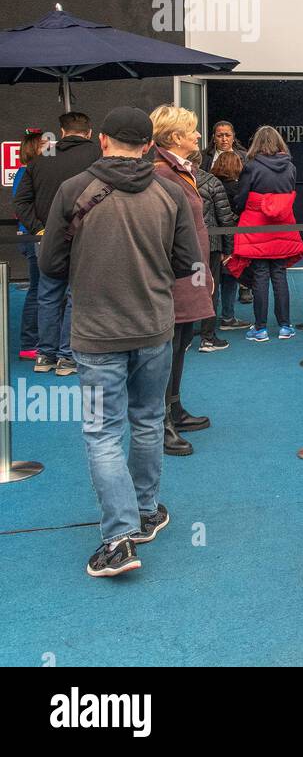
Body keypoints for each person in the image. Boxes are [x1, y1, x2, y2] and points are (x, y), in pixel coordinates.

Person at [39, 106, 205, 577]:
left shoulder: (76, 190)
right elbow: (187, 262)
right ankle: (146, 511)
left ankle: (117, 537)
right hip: (154, 325)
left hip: (95, 332)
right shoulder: (170, 193)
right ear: (150, 145)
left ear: (104, 140)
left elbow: (51, 265)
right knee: (148, 420)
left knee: (102, 432)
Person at [148, 106, 215, 458]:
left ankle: (173, 408)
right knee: (168, 347)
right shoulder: (162, 174)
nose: (198, 136)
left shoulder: (179, 171)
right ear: (175, 138)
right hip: (174, 277)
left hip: (190, 273)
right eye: (192, 131)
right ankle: (160, 423)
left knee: (182, 341)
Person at [13, 110, 101, 377]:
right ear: (89, 132)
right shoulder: (98, 157)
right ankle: (67, 357)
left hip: (47, 239)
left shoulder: (40, 160)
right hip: (86, 236)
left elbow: (20, 202)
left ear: (61, 132)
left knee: (48, 295)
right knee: (76, 296)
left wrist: (39, 229)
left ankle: (45, 355)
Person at [228, 126, 303, 344]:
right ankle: (285, 326)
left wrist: (240, 209)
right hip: (282, 224)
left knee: (260, 275)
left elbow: (242, 196)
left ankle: (260, 328)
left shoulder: (251, 166)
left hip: (256, 226)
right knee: (280, 274)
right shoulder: (290, 167)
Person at [191, 150, 237, 352]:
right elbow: (225, 218)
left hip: (181, 244)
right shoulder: (212, 181)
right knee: (210, 289)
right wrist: (228, 249)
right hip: (210, 244)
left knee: (183, 288)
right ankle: (207, 337)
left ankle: (181, 338)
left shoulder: (167, 180)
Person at [10, 129, 46, 359]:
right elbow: (21, 207)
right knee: (37, 289)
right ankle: (29, 341)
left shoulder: (26, 172)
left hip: (31, 235)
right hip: (32, 236)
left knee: (40, 289)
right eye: (43, 145)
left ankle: (35, 339)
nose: (48, 148)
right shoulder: (27, 173)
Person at [209, 149, 250, 332]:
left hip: (210, 239)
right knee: (230, 279)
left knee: (210, 281)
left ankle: (207, 319)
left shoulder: (208, 184)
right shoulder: (237, 188)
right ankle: (228, 317)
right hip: (230, 238)